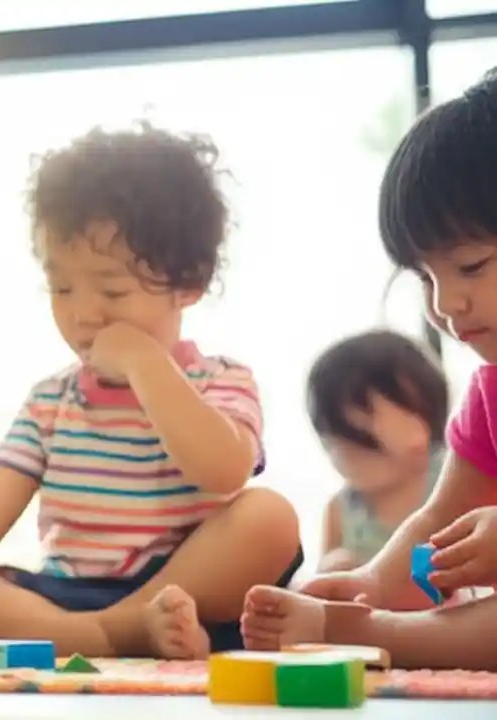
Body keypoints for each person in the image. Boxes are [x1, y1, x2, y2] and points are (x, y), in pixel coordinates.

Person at [0, 124, 302, 660]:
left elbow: (222, 471)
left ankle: (137, 624)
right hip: (69, 596)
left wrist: (146, 363)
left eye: (113, 289)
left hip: (185, 592)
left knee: (271, 517)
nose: (84, 314)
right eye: (62, 288)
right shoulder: (54, 400)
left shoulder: (222, 379)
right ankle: (114, 634)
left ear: (189, 281)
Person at [242, 69, 497, 672]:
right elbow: (439, 518)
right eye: (426, 278)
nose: (444, 305)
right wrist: (372, 583)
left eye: (471, 265)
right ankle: (363, 623)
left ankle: (372, 635)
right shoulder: (489, 393)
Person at [307, 330, 448, 573]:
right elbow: (326, 583)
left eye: (360, 437)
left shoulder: (454, 478)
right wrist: (333, 567)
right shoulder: (342, 510)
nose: (342, 450)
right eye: (332, 436)